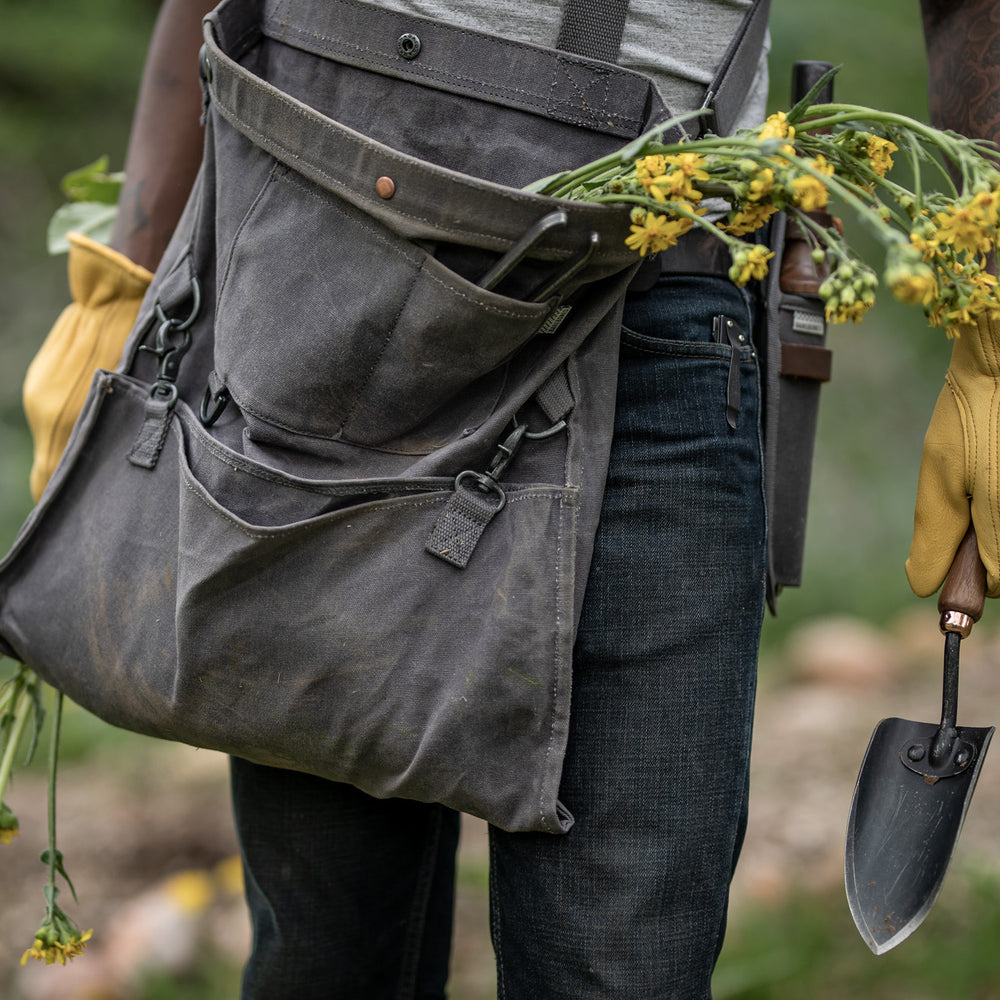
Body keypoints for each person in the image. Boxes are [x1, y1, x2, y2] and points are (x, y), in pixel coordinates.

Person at [24, 1, 1000, 998]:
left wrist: (990, 338)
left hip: (656, 286)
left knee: (618, 974)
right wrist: (127, 274)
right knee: (330, 959)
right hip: (323, 241)